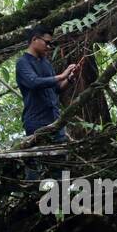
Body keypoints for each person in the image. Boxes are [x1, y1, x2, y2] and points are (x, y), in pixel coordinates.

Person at [16, 26, 78, 178]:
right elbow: (34, 82)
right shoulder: (22, 63)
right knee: (36, 165)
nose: (49, 47)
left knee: (60, 165)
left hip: (55, 120)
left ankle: (59, 198)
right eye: (47, 43)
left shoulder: (46, 63)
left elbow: (56, 89)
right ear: (34, 40)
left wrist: (69, 79)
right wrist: (62, 75)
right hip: (36, 121)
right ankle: (34, 198)